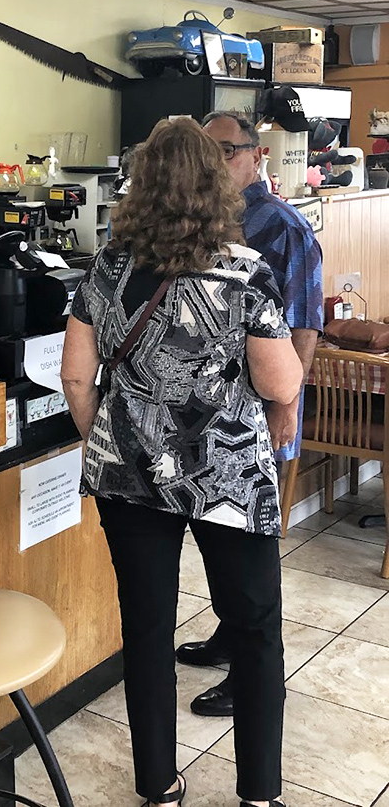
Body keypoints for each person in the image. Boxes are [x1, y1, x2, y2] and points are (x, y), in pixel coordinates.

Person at [61, 118, 302, 807]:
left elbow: (76, 377)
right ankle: (259, 791)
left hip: (128, 474)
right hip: (228, 473)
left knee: (146, 630)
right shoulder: (245, 273)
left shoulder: (106, 268)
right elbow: (281, 381)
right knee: (254, 629)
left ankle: (158, 785)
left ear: (140, 186)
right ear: (216, 185)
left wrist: (111, 437)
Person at [175, 111, 324, 718]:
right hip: (212, 415)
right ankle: (228, 636)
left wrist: (286, 407)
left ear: (257, 155)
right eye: (206, 153)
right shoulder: (207, 219)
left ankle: (252, 672)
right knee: (219, 542)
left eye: (227, 152)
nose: (215, 164)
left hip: (262, 408)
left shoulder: (282, 226)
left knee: (251, 556)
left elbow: (305, 324)